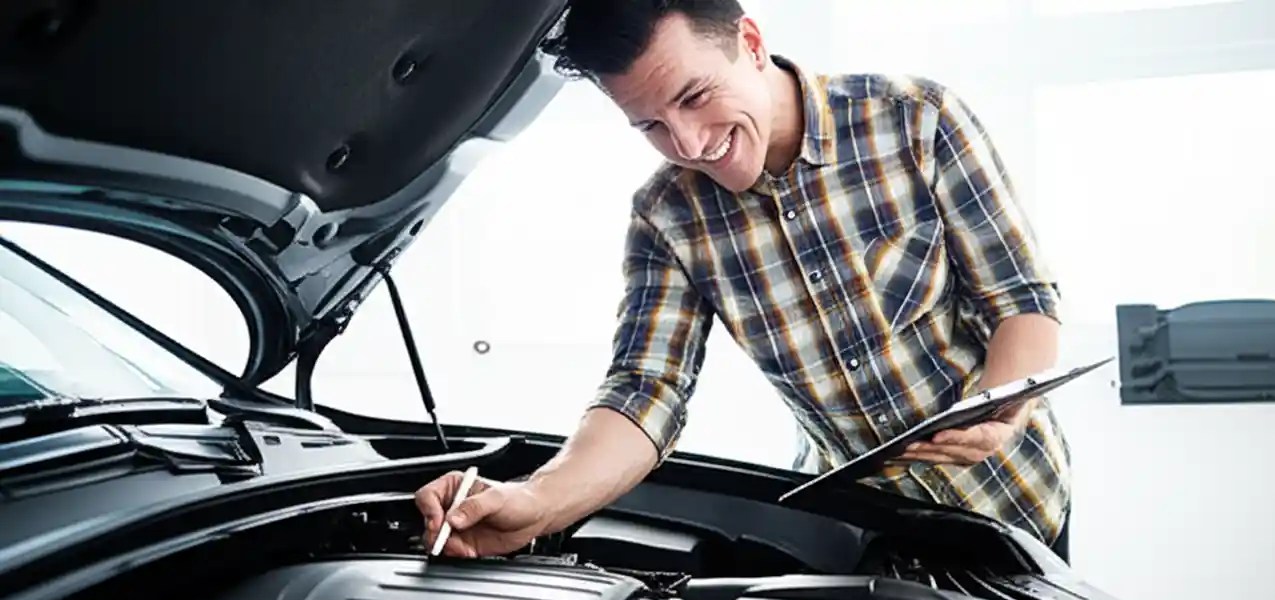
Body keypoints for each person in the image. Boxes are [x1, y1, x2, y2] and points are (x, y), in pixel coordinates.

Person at [414, 0, 1073, 564]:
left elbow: (1022, 301)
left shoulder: (917, 119)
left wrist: (999, 407)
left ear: (751, 44)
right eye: (649, 125)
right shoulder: (667, 215)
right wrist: (534, 503)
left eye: (695, 97)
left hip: (1015, 503)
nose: (690, 144)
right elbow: (647, 390)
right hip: (866, 532)